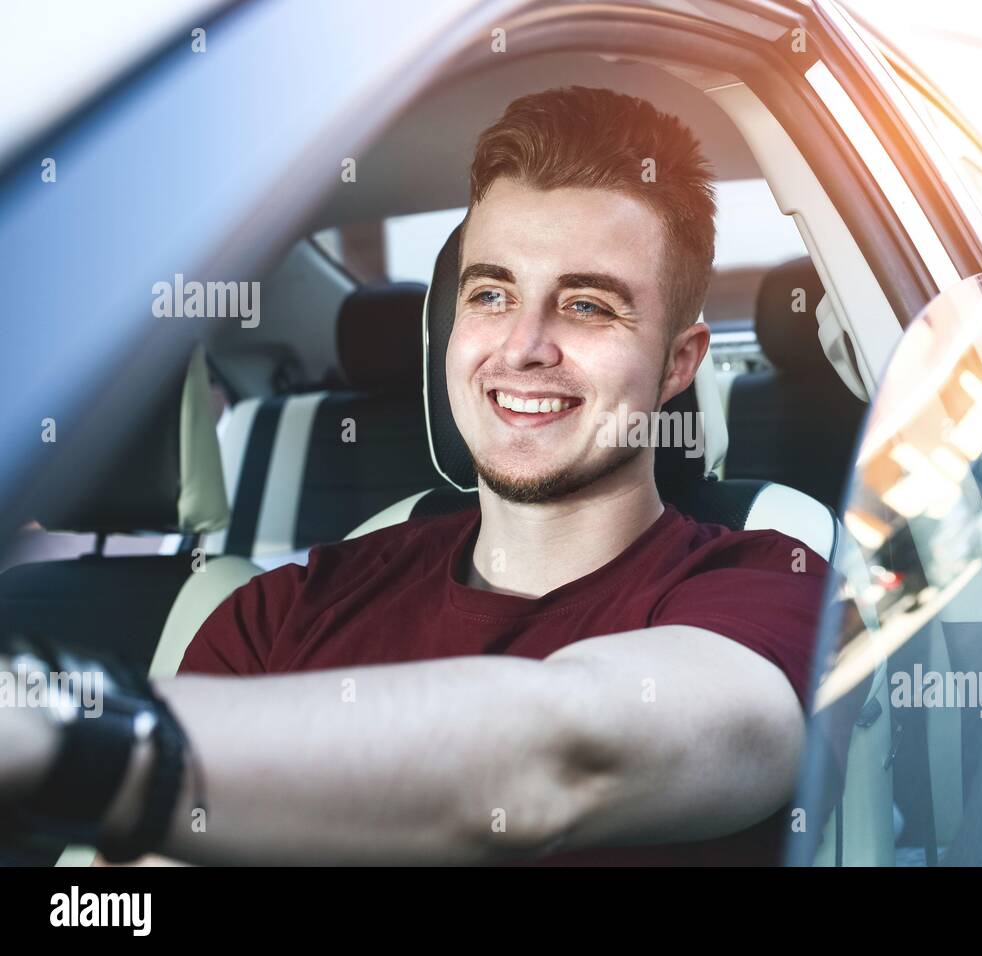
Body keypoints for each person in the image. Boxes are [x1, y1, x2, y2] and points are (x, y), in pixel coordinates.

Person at [0, 86, 830, 865]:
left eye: (587, 305)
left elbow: (563, 759)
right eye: (491, 295)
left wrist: (72, 735)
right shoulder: (285, 610)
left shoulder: (770, 589)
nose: (523, 347)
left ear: (680, 363)